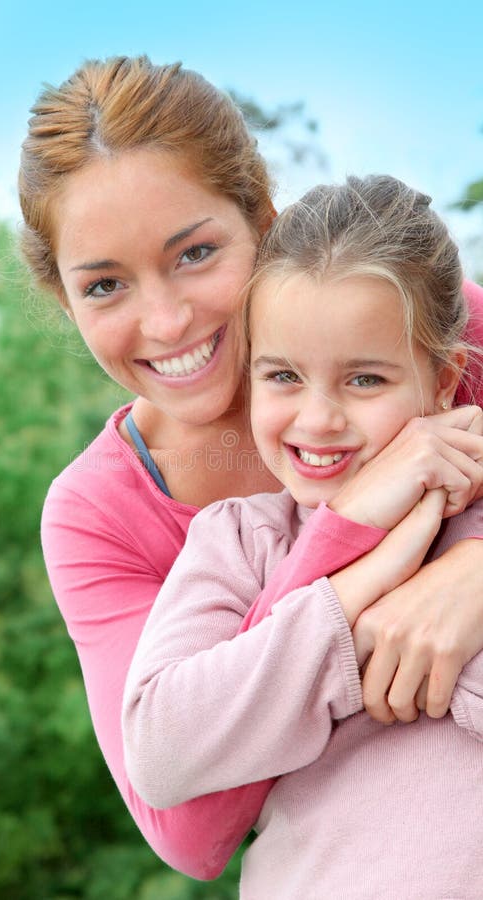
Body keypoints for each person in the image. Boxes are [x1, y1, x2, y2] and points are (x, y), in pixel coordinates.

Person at [18, 55, 483, 879]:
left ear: (263, 223)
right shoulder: (100, 513)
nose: (165, 320)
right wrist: (347, 545)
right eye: (104, 287)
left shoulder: (423, 325)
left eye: (196, 254)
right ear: (65, 302)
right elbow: (189, 830)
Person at [123, 175, 483, 898]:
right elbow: (162, 749)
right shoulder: (239, 540)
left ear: (443, 381)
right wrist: (352, 561)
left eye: (365, 380)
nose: (317, 421)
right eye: (283, 376)